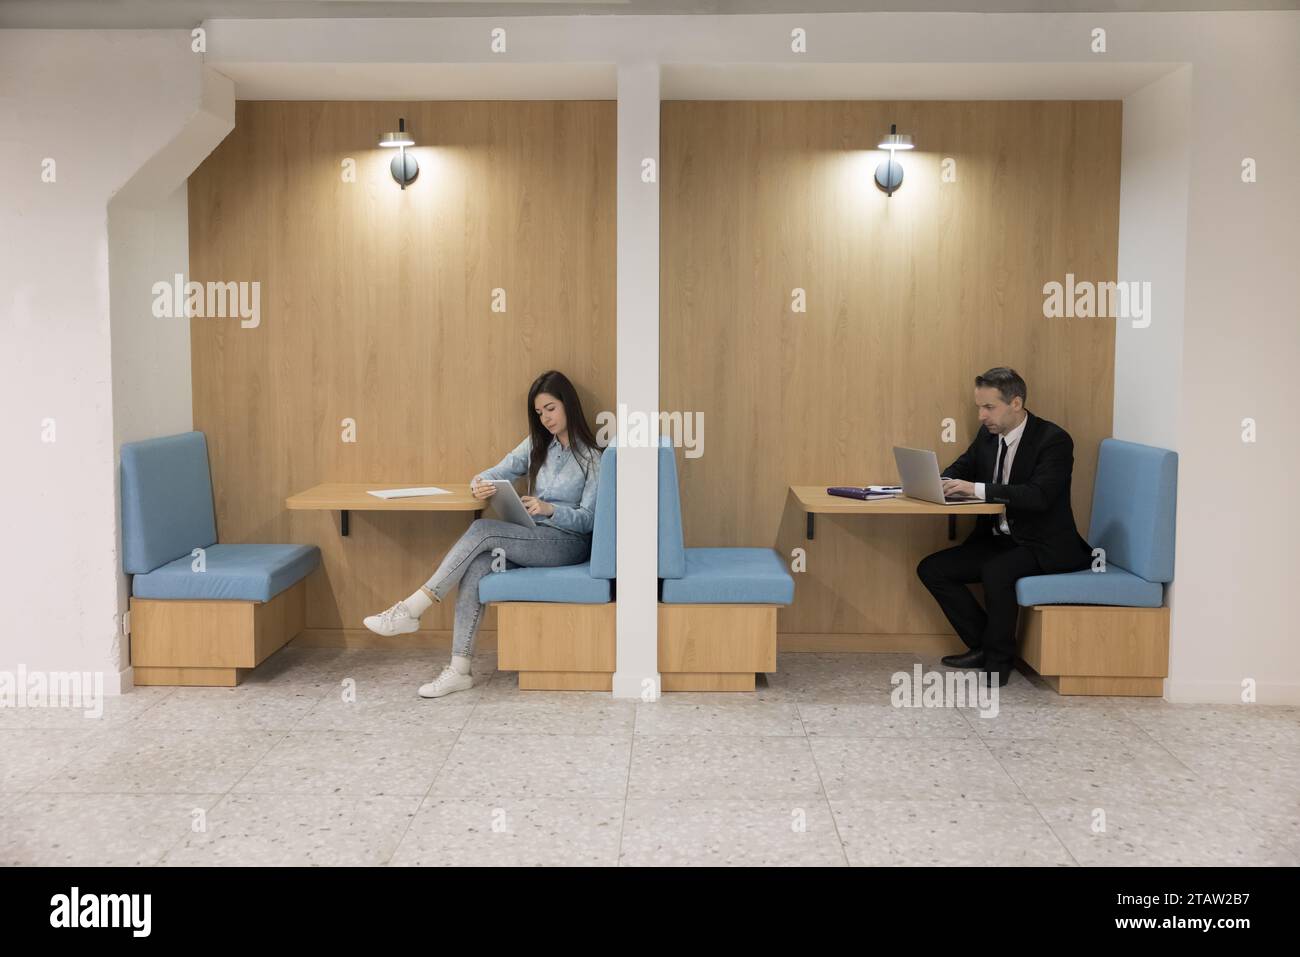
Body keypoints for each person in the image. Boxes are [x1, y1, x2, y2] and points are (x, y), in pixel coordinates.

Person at [363, 370, 602, 698]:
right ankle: (459, 669)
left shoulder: (592, 456)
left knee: (482, 530)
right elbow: (496, 470)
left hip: (567, 543)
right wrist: (480, 482)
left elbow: (589, 520)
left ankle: (411, 608)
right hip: (532, 537)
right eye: (539, 412)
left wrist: (550, 510)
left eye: (550, 408)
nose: (545, 418)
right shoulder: (536, 444)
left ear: (568, 405)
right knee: (477, 566)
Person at [916, 367, 1092, 686]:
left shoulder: (1053, 441)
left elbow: (1039, 496)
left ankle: (998, 664)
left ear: (1015, 403)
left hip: (1044, 545)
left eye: (989, 407)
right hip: (1001, 540)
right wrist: (940, 481)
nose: (982, 416)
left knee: (998, 571)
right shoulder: (988, 435)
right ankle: (984, 646)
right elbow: (964, 465)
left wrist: (976, 489)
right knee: (933, 569)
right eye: (979, 408)